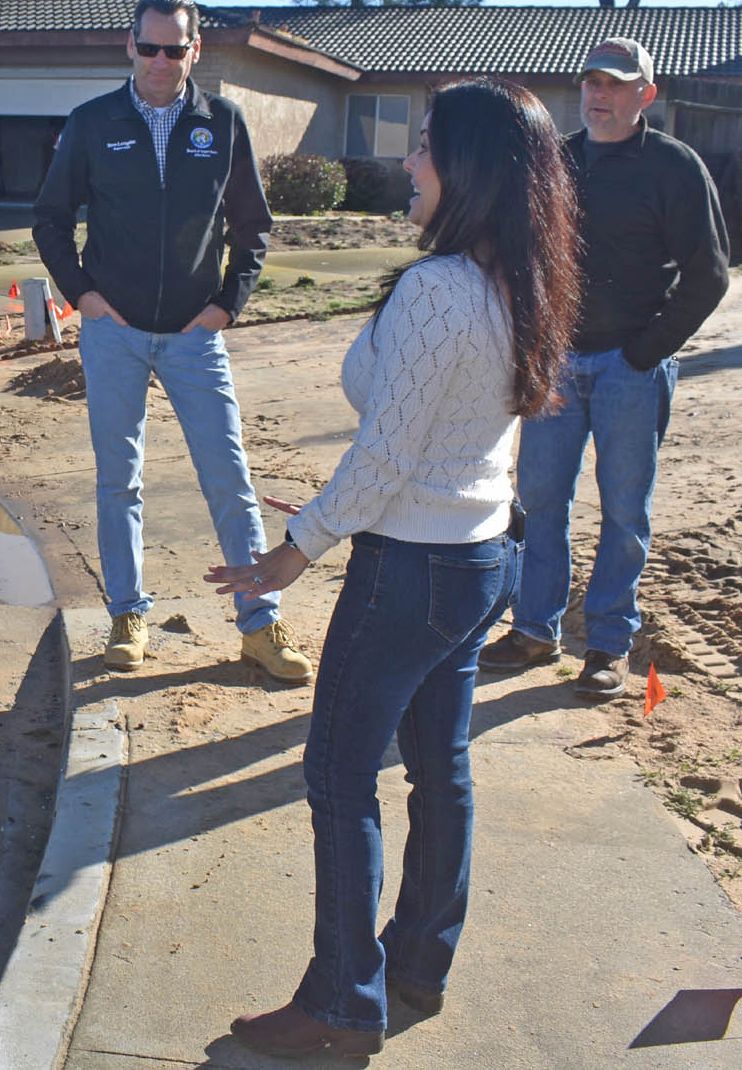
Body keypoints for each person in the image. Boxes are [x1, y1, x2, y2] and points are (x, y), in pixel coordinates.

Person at [206, 79, 581, 1056]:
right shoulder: (520, 281)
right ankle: (417, 960)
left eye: (422, 146)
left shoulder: (437, 290)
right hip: (478, 562)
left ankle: (341, 1001)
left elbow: (381, 459)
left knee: (338, 776)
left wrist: (293, 551)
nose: (406, 163)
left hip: (409, 572)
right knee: (439, 769)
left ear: (466, 168)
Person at [32, 0, 311, 683]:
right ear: (131, 47)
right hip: (114, 333)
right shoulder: (93, 122)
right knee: (118, 481)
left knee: (229, 477)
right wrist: (83, 295)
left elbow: (253, 226)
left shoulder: (224, 122)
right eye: (150, 47)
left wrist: (226, 306)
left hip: (194, 337)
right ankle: (127, 614)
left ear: (195, 50)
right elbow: (50, 218)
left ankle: (259, 622)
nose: (161, 61)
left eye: (175, 49)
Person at [476, 37, 730, 699]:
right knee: (539, 503)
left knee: (623, 510)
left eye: (615, 83)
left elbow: (709, 274)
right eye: (592, 81)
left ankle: (609, 644)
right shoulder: (554, 161)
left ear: (646, 93)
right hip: (558, 364)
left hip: (631, 371)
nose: (599, 93)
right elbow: (520, 251)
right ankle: (535, 630)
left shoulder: (673, 166)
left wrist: (646, 352)